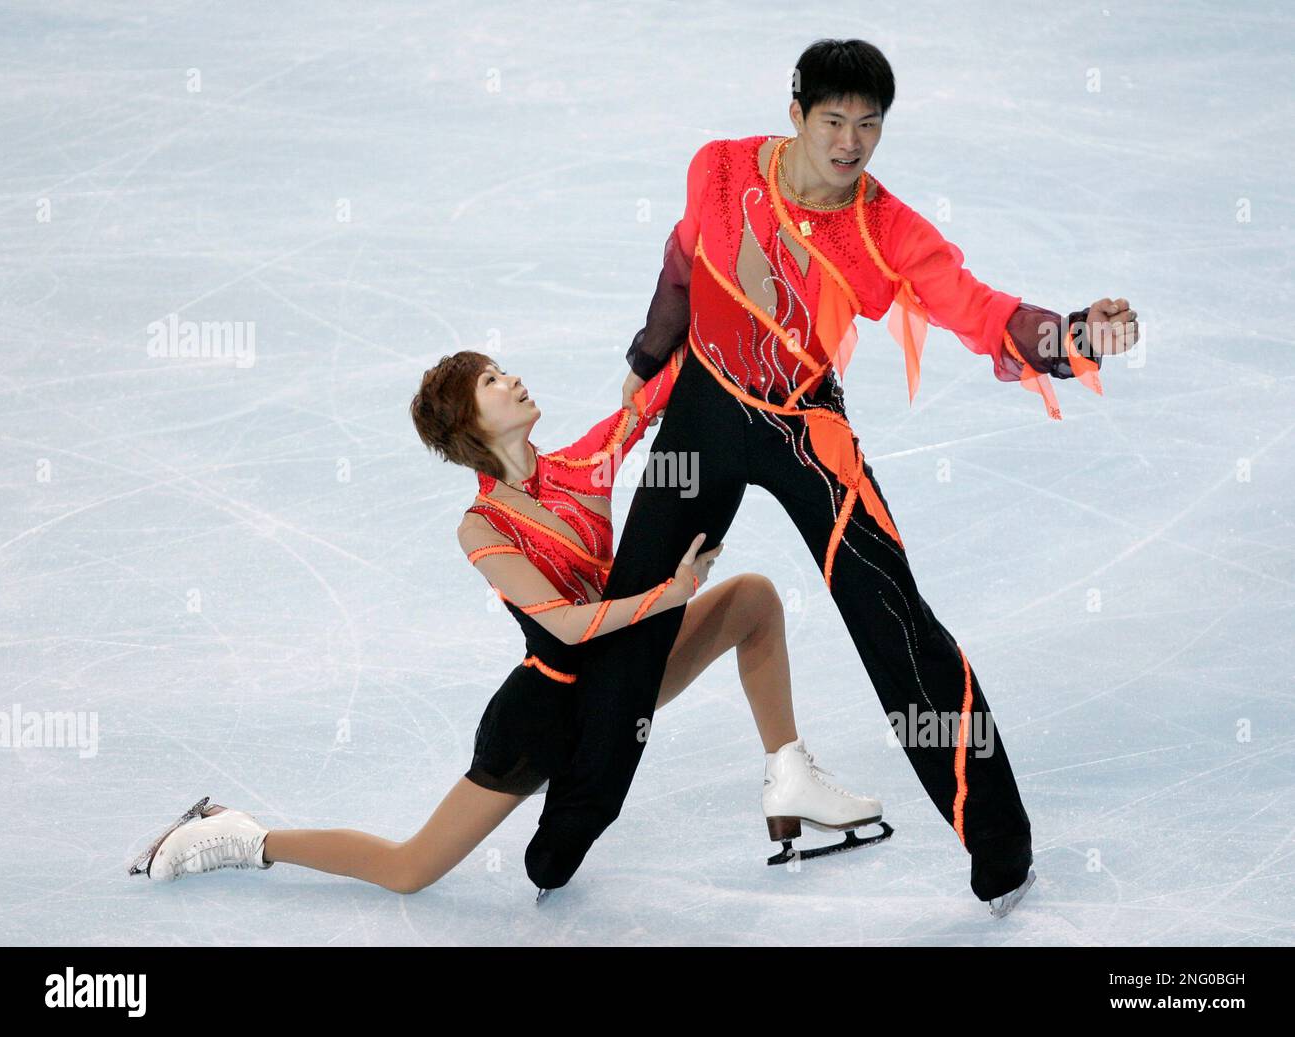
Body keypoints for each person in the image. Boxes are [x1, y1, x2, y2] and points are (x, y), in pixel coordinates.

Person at [524, 37, 1141, 917]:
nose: (850, 142)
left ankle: (1000, 846)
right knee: (638, 615)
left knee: (895, 620)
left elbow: (978, 309)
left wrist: (1074, 335)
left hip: (807, 430)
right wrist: (649, 354)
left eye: (869, 125)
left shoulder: (886, 229)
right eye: (834, 121)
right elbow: (681, 259)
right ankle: (566, 831)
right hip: (703, 409)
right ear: (796, 115)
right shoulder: (724, 166)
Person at [128, 342, 888, 891]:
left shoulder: (586, 462)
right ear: (470, 422)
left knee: (752, 599)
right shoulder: (482, 527)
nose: (513, 378)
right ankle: (238, 837)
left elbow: (657, 393)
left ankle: (788, 777)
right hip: (548, 710)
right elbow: (562, 624)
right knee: (409, 868)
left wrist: (724, 304)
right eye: (493, 380)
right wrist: (671, 594)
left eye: (504, 369)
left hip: (622, 678)